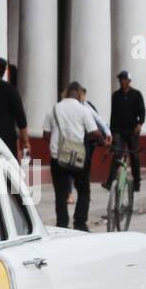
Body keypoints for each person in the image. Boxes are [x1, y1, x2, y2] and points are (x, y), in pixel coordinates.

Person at [43, 82, 104, 230]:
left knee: (60, 194)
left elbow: (45, 134)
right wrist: (102, 139)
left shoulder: (54, 109)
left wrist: (57, 145)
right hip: (78, 157)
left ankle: (62, 224)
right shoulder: (83, 110)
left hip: (58, 157)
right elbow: (93, 132)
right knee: (83, 191)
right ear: (78, 93)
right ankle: (80, 223)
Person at [108, 70, 146, 192]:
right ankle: (110, 182)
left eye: (124, 79)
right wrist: (111, 131)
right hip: (118, 130)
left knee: (134, 156)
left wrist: (140, 124)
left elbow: (142, 111)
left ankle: (137, 182)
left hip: (132, 130)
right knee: (117, 155)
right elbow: (113, 114)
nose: (122, 81)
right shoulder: (116, 96)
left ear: (129, 81)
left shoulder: (136, 94)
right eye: (120, 79)